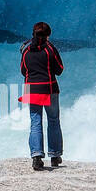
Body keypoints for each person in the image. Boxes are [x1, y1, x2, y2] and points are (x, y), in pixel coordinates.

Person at [19, 21, 63, 171]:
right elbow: (59, 69)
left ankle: (36, 157)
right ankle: (55, 156)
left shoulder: (26, 51)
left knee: (35, 123)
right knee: (53, 121)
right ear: (48, 35)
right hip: (49, 89)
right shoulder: (50, 50)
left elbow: (23, 71)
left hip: (32, 91)